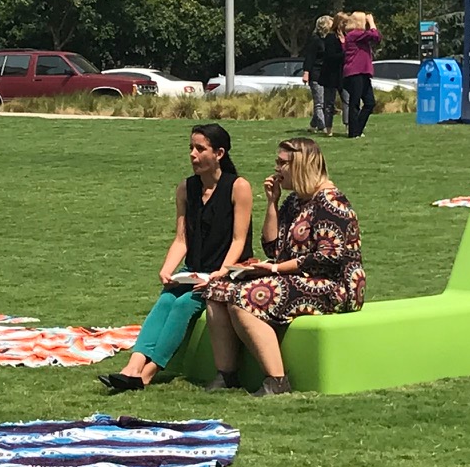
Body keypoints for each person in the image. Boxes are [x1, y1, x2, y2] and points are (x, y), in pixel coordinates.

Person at [197, 138, 365, 396]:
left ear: (299, 165)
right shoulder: (295, 201)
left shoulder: (331, 202)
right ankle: (227, 373)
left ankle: (276, 379)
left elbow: (327, 258)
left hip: (335, 286)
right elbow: (273, 248)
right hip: (299, 276)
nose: (276, 169)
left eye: (281, 163)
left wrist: (275, 270)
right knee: (217, 291)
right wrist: (272, 203)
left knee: (245, 299)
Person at [98, 124, 254, 393]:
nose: (193, 154)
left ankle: (147, 373)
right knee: (166, 299)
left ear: (219, 153)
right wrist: (168, 269)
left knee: (184, 305)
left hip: (226, 271)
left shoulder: (237, 187)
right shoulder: (186, 188)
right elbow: (182, 239)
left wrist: (219, 273)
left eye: (200, 149)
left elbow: (239, 240)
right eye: (191, 148)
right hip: (193, 269)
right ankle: (131, 367)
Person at [340, 12, 381, 138]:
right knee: (355, 102)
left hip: (363, 72)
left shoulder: (359, 36)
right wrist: (372, 22)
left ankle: (357, 129)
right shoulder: (354, 35)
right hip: (354, 72)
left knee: (370, 102)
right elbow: (376, 36)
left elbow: (375, 38)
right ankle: (353, 132)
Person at [301, 16, 336, 134]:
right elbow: (309, 57)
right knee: (319, 102)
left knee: (325, 102)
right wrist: (306, 73)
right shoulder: (315, 40)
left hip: (326, 74)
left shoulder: (330, 39)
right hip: (316, 73)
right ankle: (324, 126)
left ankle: (313, 124)